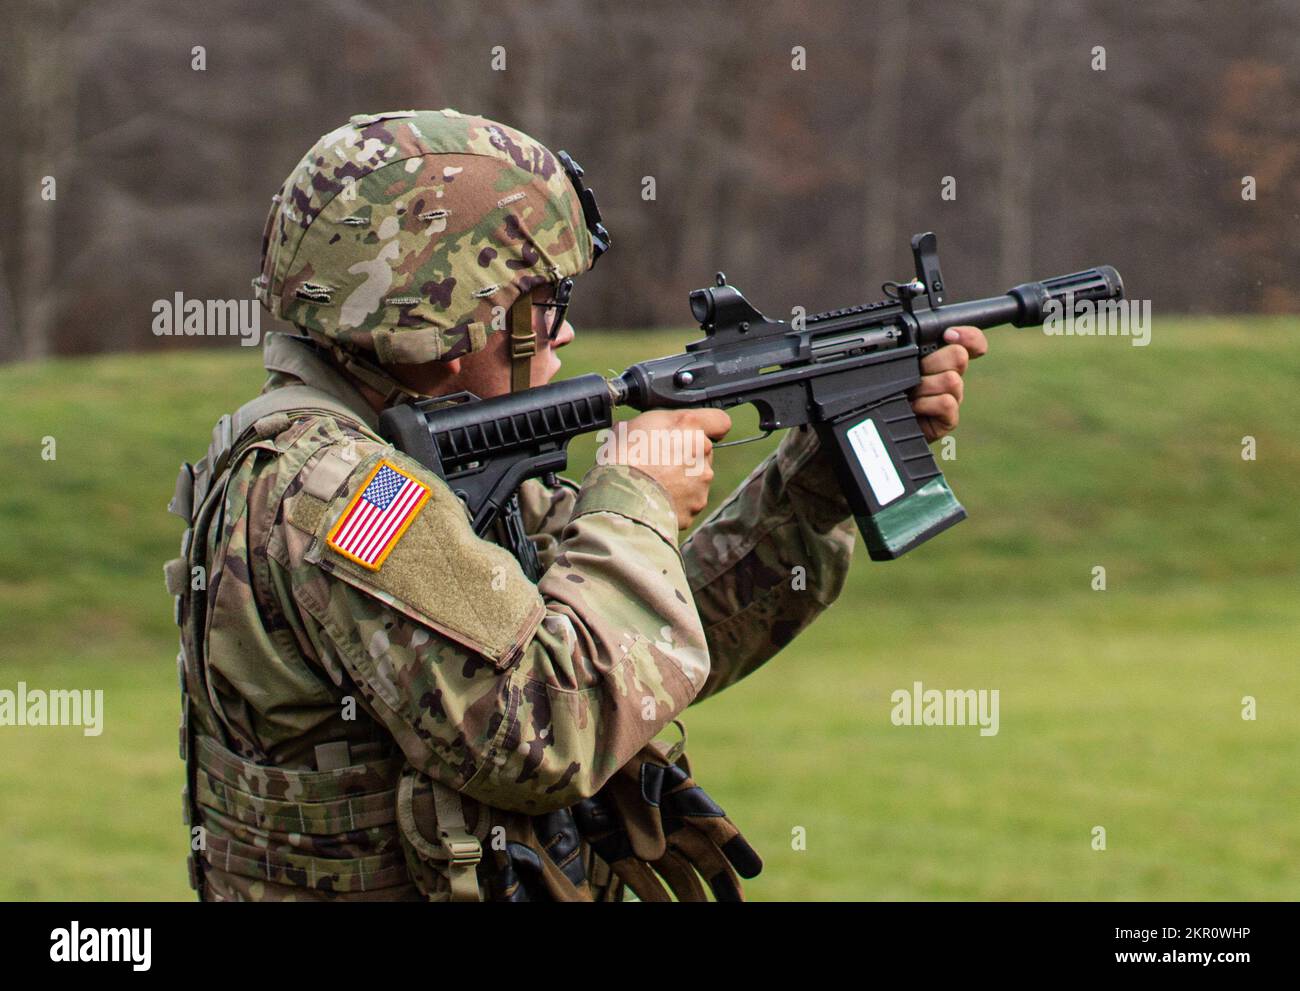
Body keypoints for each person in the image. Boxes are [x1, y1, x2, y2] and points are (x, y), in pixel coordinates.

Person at [164, 108, 987, 901]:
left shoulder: (408, 462)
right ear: (447, 325)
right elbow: (547, 727)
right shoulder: (344, 495)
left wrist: (813, 483)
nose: (560, 334)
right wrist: (632, 501)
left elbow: (626, 660)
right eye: (541, 303)